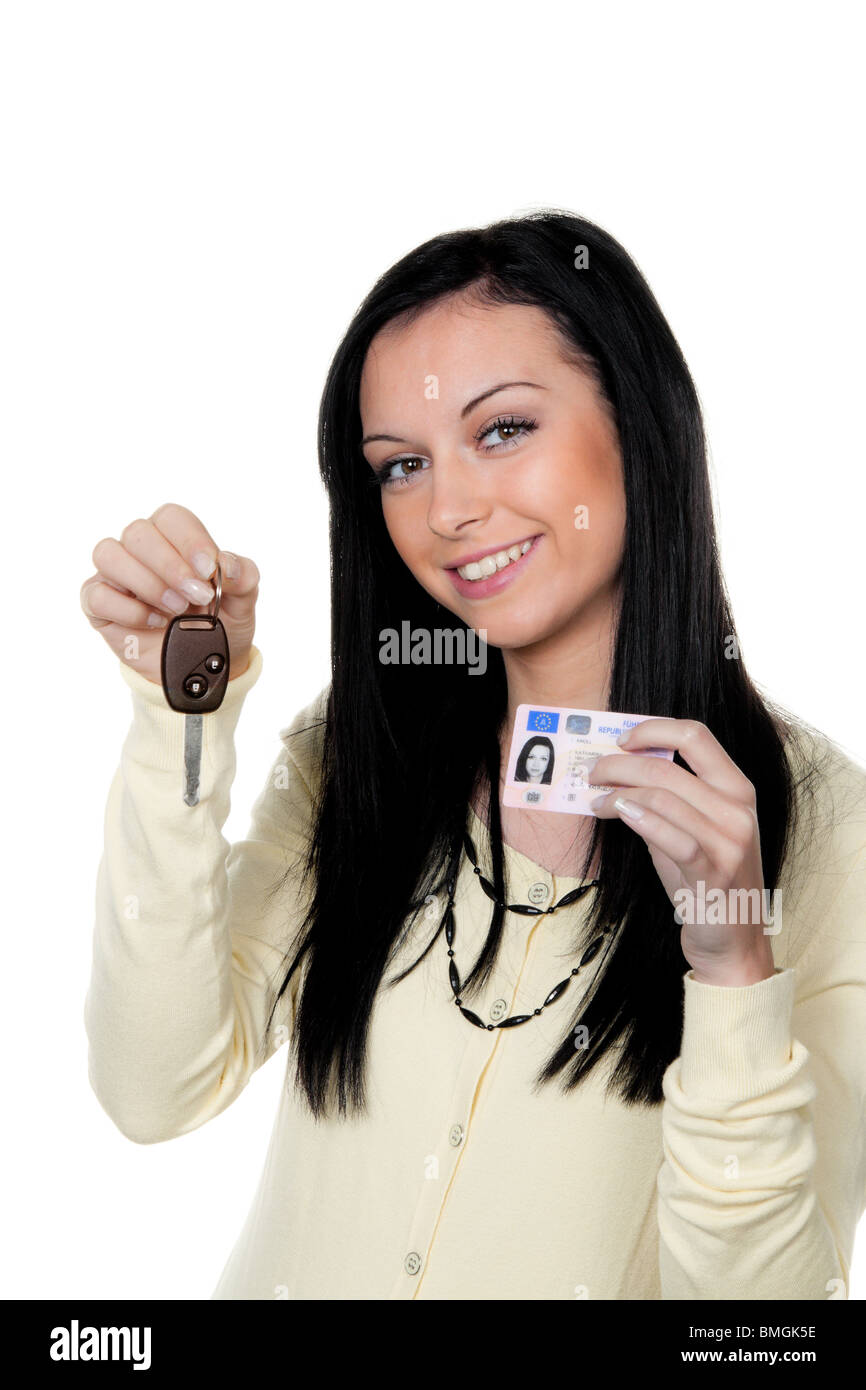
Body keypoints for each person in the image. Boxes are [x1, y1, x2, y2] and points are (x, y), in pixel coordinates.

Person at [80, 209, 866, 1300]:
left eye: (501, 430)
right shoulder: (354, 753)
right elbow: (150, 1087)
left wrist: (730, 963)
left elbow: (756, 1320)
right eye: (399, 465)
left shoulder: (830, 834)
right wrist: (182, 718)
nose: (446, 509)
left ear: (635, 422)